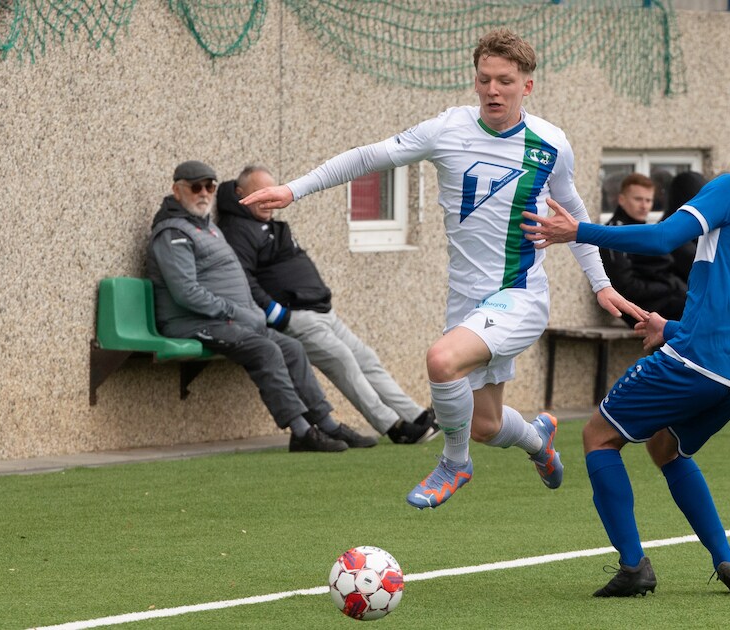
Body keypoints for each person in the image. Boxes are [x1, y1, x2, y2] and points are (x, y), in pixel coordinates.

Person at [240, 29, 644, 509]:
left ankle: (455, 464)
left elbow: (572, 215)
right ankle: (538, 440)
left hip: (520, 296)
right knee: (486, 425)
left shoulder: (550, 143)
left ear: (527, 86)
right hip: (466, 301)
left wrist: (600, 283)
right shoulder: (447, 129)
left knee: (441, 361)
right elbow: (369, 157)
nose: (493, 90)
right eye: (484, 79)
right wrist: (293, 189)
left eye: (505, 81)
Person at [522, 99, 730, 596]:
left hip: (697, 363)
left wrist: (577, 231)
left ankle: (633, 567)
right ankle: (727, 561)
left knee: (598, 436)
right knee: (667, 447)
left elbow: (663, 239)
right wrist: (672, 328)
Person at [146, 160, 378, 453]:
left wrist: (249, 312)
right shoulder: (173, 233)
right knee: (265, 350)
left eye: (209, 186)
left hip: (229, 320)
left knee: (292, 348)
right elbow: (186, 293)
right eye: (195, 187)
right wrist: (237, 312)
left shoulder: (208, 228)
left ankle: (327, 423)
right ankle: (301, 431)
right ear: (177, 190)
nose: (203, 193)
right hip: (192, 323)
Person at [216, 165, 440, 444]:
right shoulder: (237, 230)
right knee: (343, 361)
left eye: (271, 192)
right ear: (241, 194)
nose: (268, 199)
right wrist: (278, 314)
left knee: (366, 358)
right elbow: (243, 280)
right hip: (297, 318)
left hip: (322, 311)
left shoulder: (266, 224)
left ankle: (417, 416)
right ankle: (394, 426)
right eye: (259, 193)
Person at [600, 173, 687, 325]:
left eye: (648, 200)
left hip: (665, 301)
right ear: (621, 200)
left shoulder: (647, 230)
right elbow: (626, 287)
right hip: (639, 310)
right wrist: (671, 285)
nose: (644, 206)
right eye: (638, 199)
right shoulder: (614, 233)